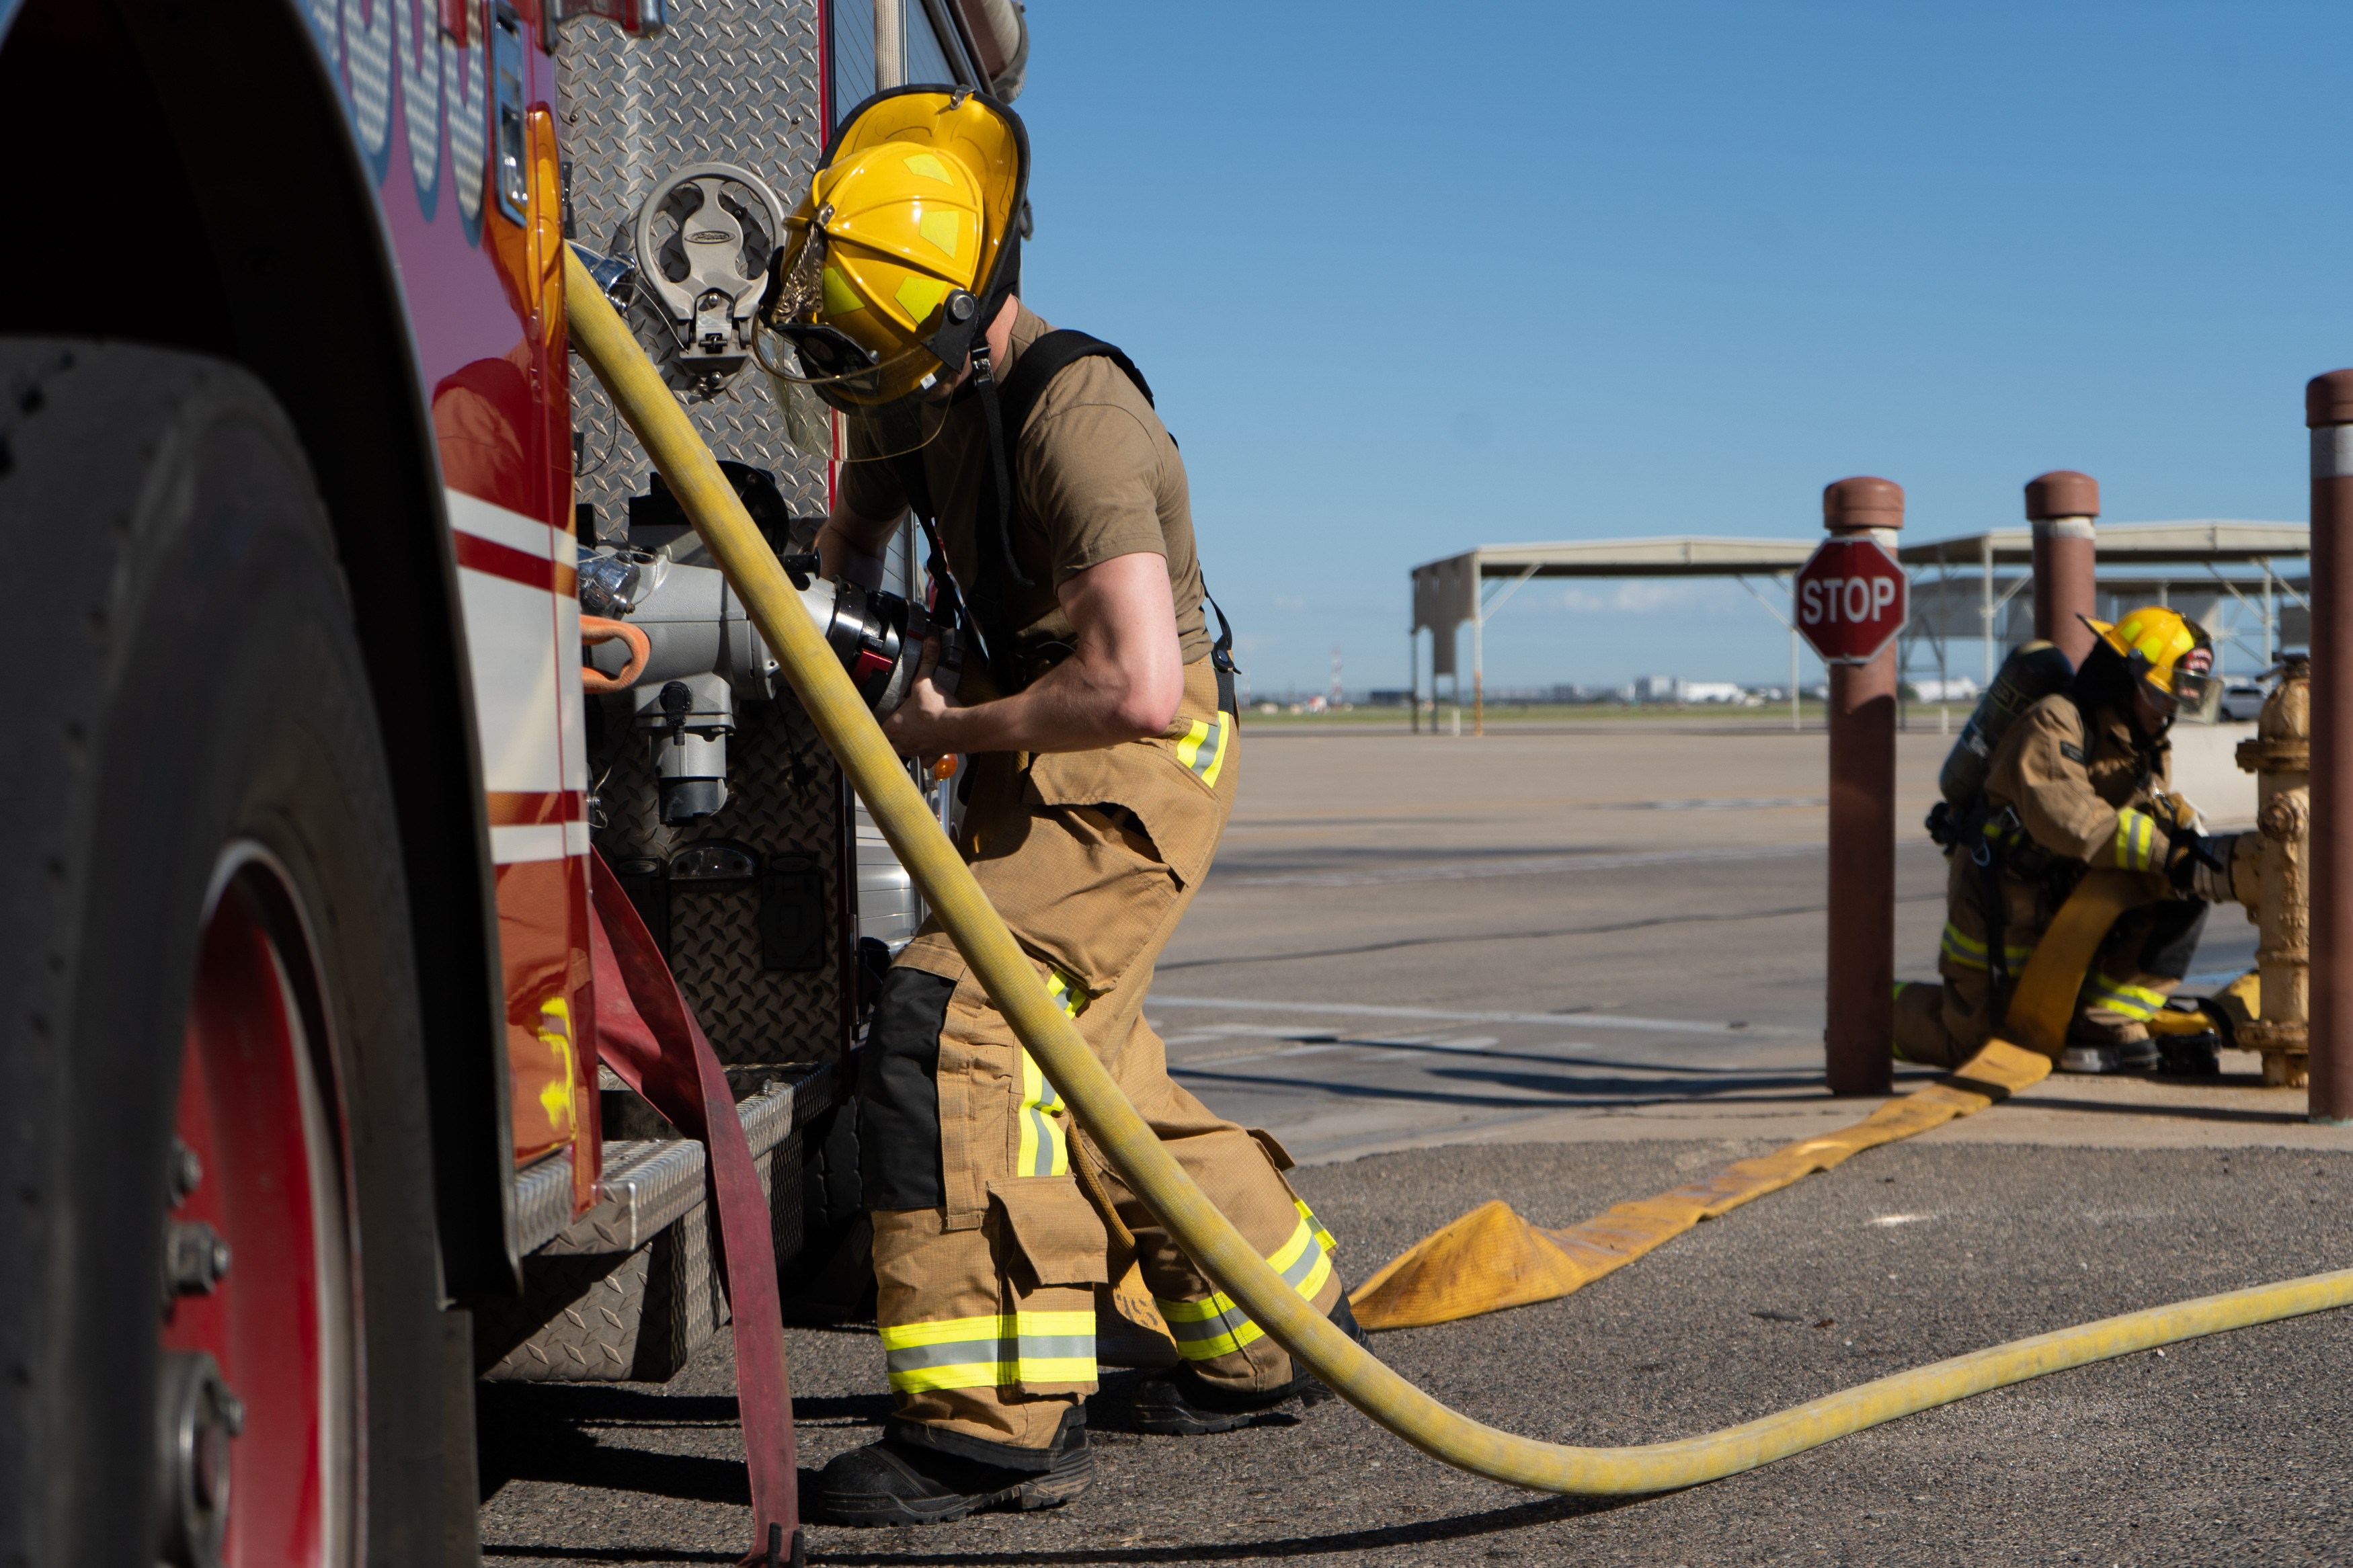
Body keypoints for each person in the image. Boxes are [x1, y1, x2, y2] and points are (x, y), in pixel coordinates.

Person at [756, 88, 1363, 1526]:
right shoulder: (922, 388)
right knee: (1100, 1069)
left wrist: (938, 723)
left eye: (879, 363)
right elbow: (852, 538)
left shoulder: (1074, 409)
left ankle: (992, 1418)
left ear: (973, 314)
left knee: (957, 1018)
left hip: (1134, 768)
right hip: (1035, 754)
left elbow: (1140, 682)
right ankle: (1271, 1332)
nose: (866, 391)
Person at [1894, 607, 2256, 1073]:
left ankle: (2102, 1019)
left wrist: (2196, 844)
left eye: (2177, 697)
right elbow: (2074, 821)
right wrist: (2172, 855)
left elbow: (2149, 805)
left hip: (2064, 889)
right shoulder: (2054, 723)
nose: (2168, 709)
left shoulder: (2140, 739)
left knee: (2181, 891)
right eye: (2160, 694)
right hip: (1999, 896)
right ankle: (1863, 1012)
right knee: (1988, 1044)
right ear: (2123, 677)